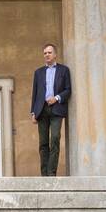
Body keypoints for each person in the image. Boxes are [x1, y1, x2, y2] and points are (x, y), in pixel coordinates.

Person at [29, 43, 72, 177]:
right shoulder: (38, 72)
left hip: (57, 109)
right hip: (41, 110)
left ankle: (51, 172)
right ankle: (44, 174)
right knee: (43, 143)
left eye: (49, 52)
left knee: (54, 139)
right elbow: (35, 93)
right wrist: (33, 112)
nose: (46, 55)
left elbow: (68, 90)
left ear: (55, 54)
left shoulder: (64, 70)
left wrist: (57, 98)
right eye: (45, 53)